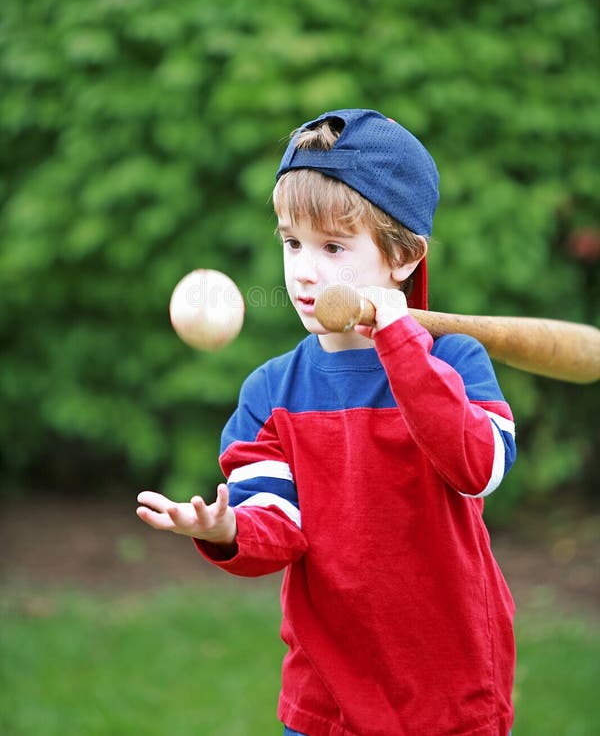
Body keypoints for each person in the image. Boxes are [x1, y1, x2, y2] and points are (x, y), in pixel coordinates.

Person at [137, 108, 517, 736]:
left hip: (450, 692)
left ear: (403, 257)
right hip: (328, 697)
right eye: (292, 243)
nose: (304, 270)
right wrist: (230, 526)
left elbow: (479, 467)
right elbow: (278, 524)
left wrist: (399, 343)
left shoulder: (453, 361)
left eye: (333, 247)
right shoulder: (272, 392)